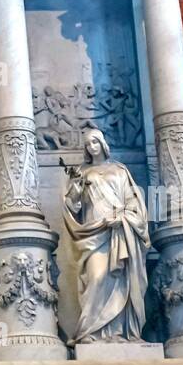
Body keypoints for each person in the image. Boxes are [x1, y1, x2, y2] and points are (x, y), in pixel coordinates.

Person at [62, 128, 149, 343]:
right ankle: (89, 331)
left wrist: (123, 217)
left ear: (102, 143)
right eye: (88, 144)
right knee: (97, 276)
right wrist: (75, 189)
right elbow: (73, 205)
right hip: (94, 231)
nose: (92, 147)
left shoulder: (119, 170)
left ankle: (119, 332)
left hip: (119, 230)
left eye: (95, 142)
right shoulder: (82, 172)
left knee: (119, 278)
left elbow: (132, 200)